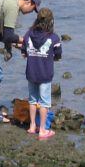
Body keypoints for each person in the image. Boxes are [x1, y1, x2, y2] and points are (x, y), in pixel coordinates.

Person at [21, 7, 61, 139]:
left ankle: (32, 126)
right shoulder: (54, 38)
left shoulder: (28, 35)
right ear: (51, 22)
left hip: (31, 72)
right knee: (44, 102)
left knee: (32, 100)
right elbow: (58, 55)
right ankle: (43, 130)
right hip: (45, 74)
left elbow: (24, 52)